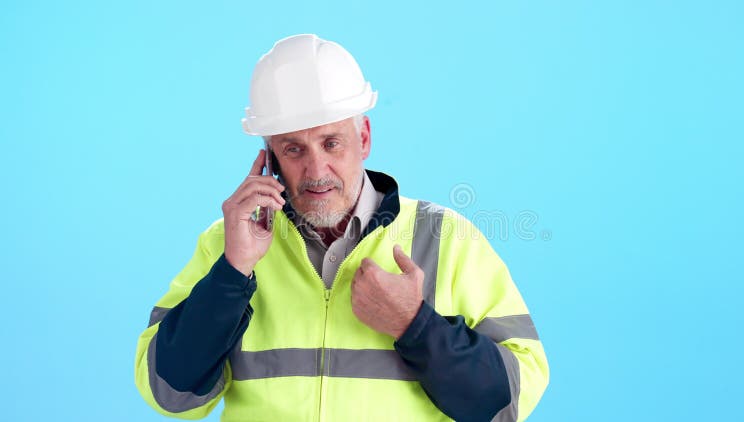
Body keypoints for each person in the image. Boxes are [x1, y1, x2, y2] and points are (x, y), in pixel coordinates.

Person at [134, 34, 549, 422]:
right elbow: (168, 393)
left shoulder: (445, 239)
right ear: (269, 159)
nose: (316, 171)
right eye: (293, 149)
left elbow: (510, 398)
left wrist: (416, 325)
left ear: (363, 138)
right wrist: (231, 273)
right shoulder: (229, 244)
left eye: (332, 143)